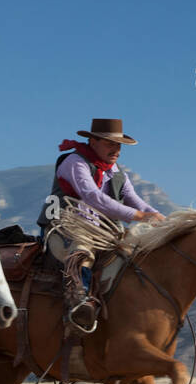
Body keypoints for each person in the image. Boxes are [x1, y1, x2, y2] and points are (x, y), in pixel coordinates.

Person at [36, 118, 165, 331]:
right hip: (64, 225)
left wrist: (160, 218)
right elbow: (93, 196)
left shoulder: (116, 172)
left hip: (101, 230)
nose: (117, 150)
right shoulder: (75, 162)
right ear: (93, 141)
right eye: (110, 144)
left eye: (119, 145)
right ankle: (79, 303)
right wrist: (140, 216)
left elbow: (133, 199)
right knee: (82, 250)